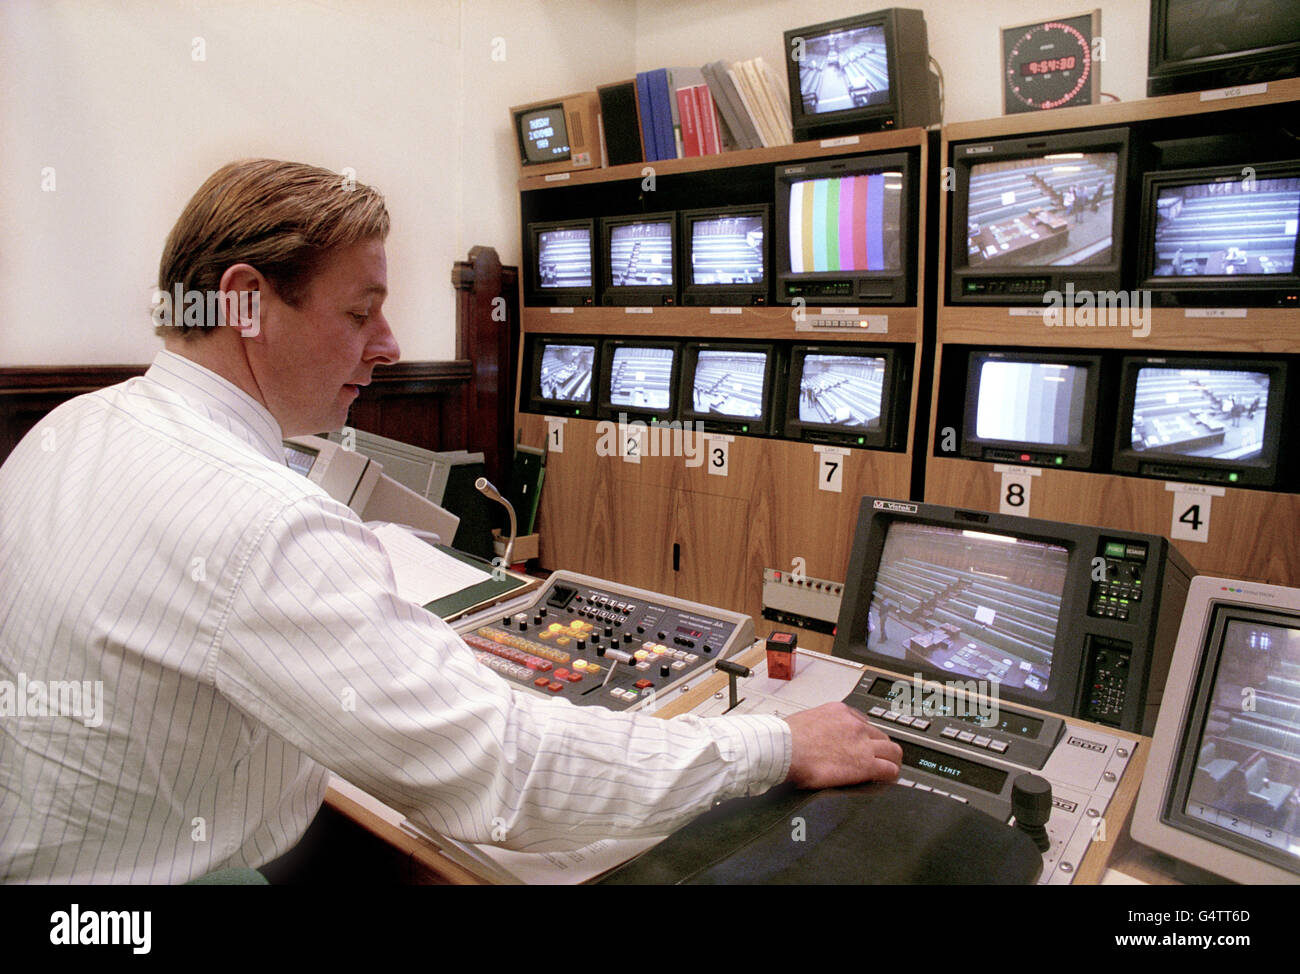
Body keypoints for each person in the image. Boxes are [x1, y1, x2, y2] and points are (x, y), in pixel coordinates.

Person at [0, 160, 901, 883]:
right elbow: (506, 775)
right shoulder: (258, 519)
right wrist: (773, 742)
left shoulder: (74, 425)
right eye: (361, 312)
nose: (389, 346)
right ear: (244, 302)